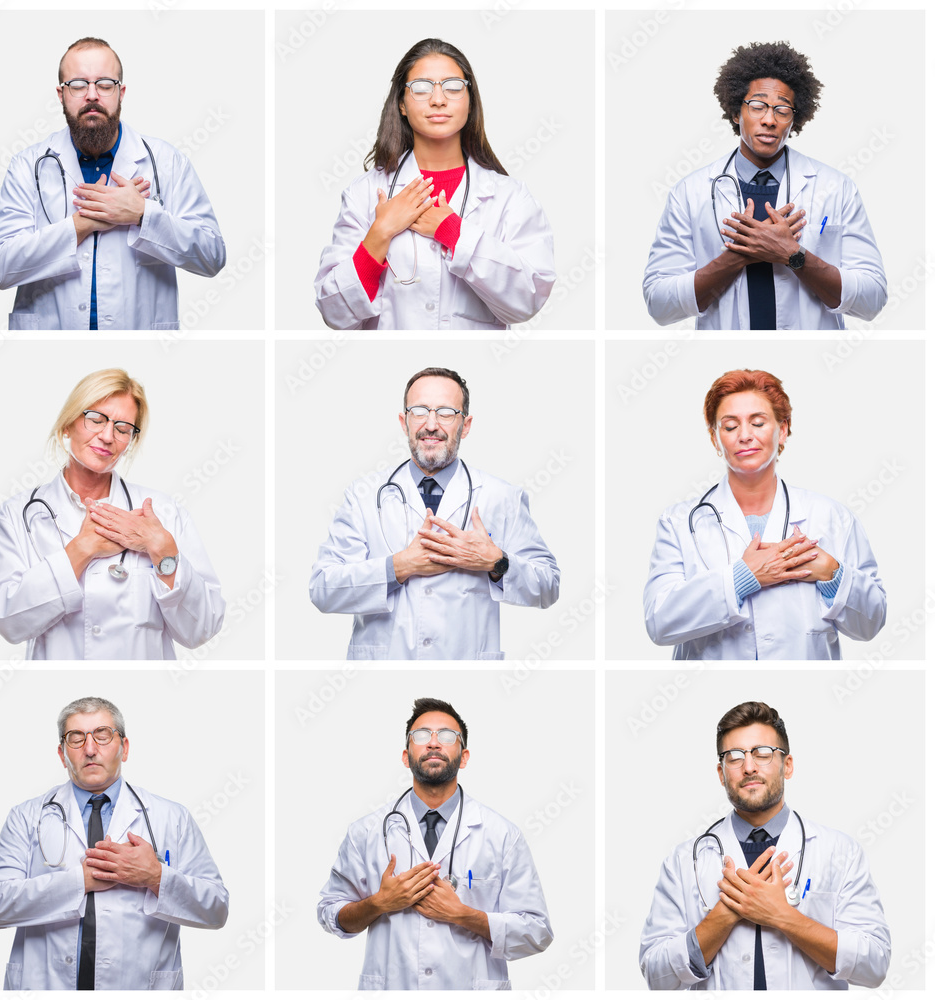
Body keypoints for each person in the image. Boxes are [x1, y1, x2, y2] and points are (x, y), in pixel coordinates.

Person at [309, 367, 559, 658]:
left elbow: (548, 586)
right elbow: (323, 590)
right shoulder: (363, 495)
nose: (431, 424)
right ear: (404, 422)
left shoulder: (503, 496)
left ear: (465, 425)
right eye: (419, 411)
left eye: (445, 412)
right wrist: (400, 567)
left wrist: (496, 562)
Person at [0, 696, 228, 990]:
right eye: (76, 739)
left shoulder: (172, 817)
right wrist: (79, 882)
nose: (89, 749)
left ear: (124, 748)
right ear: (62, 754)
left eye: (102, 735)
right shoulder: (26, 816)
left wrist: (155, 877)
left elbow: (216, 910)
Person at [639, 701, 890, 990]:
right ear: (721, 773)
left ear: (788, 765)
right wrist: (725, 913)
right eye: (734, 757)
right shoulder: (684, 861)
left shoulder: (840, 851)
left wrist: (782, 916)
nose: (748, 767)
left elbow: (875, 964)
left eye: (762, 754)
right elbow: (656, 975)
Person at [0, 37, 225, 330]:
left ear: (121, 92)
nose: (92, 95)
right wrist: (82, 224)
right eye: (78, 84)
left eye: (105, 84)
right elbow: (0, 266)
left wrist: (142, 215)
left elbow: (212, 256)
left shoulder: (167, 162)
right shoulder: (27, 166)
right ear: (61, 95)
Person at [643, 41, 886, 330]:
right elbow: (659, 304)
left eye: (782, 110)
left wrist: (793, 255)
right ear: (736, 112)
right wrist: (741, 254)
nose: (769, 120)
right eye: (757, 106)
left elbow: (872, 299)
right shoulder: (689, 192)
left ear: (794, 120)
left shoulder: (836, 188)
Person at [314, 38, 554, 330]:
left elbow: (528, 299)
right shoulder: (364, 193)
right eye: (421, 88)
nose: (438, 99)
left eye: (453, 87)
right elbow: (333, 311)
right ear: (401, 104)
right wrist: (380, 233)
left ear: (470, 101)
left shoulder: (509, 197)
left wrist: (452, 232)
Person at [644, 369, 885, 659]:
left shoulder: (831, 517)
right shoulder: (679, 522)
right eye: (730, 427)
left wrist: (833, 574)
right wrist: (743, 577)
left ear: (782, 430)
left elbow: (871, 623)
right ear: (714, 438)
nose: (745, 436)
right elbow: (659, 623)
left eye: (758, 423)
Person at [0, 368, 225, 659]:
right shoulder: (18, 514)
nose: (108, 435)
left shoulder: (164, 513)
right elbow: (8, 622)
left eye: (123, 428)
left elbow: (202, 629)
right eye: (96, 419)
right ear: (67, 424)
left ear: (130, 441)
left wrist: (163, 550)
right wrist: (81, 549)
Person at [318, 697, 552, 989]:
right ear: (406, 756)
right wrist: (379, 903)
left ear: (464, 756)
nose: (433, 743)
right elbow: (330, 914)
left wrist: (465, 915)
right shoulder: (366, 831)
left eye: (446, 736)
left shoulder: (502, 834)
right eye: (421, 735)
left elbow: (537, 932)